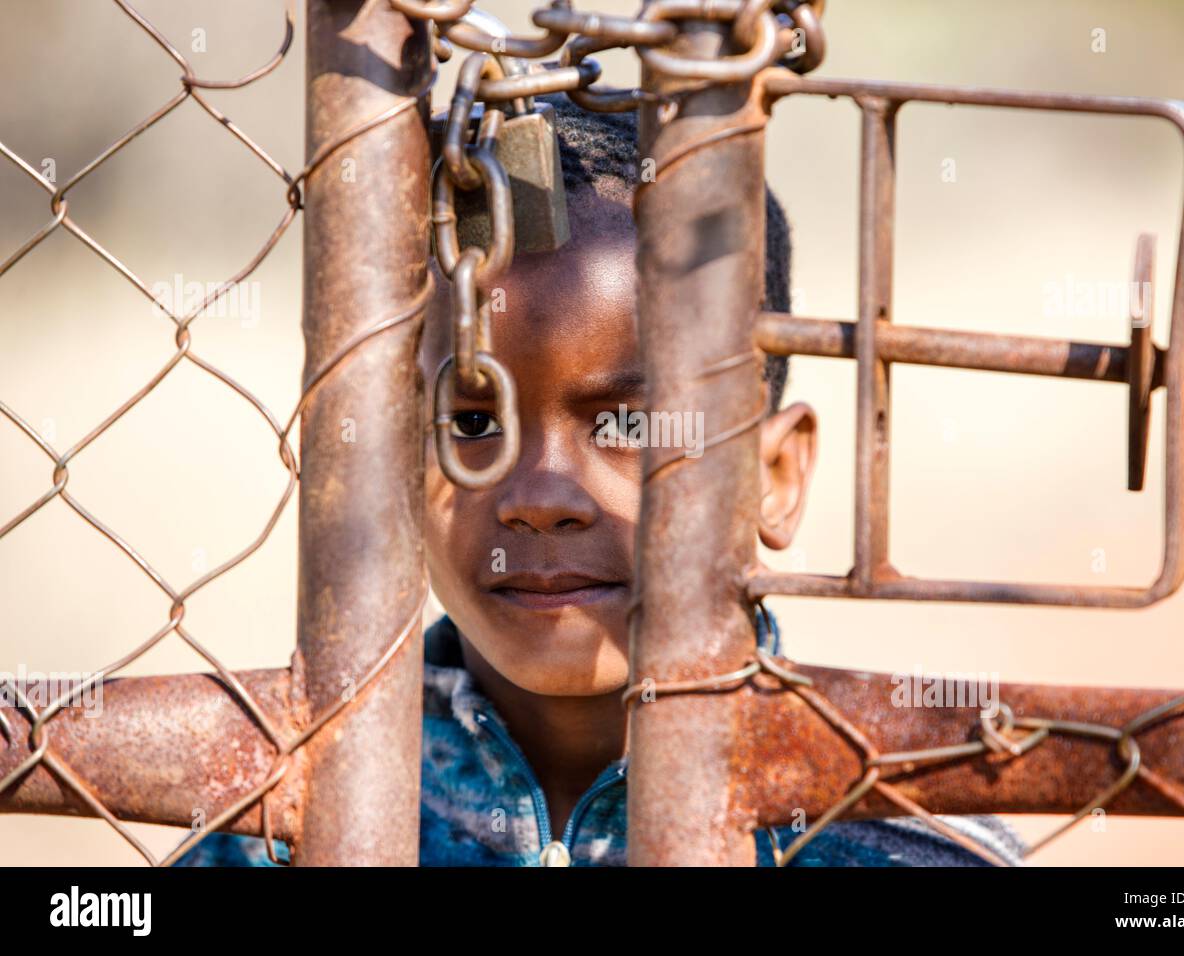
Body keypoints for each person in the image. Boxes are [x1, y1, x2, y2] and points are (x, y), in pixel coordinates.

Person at [177, 96, 1024, 868]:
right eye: (473, 422)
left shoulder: (895, 838)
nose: (540, 496)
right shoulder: (283, 825)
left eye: (628, 425)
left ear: (774, 474)